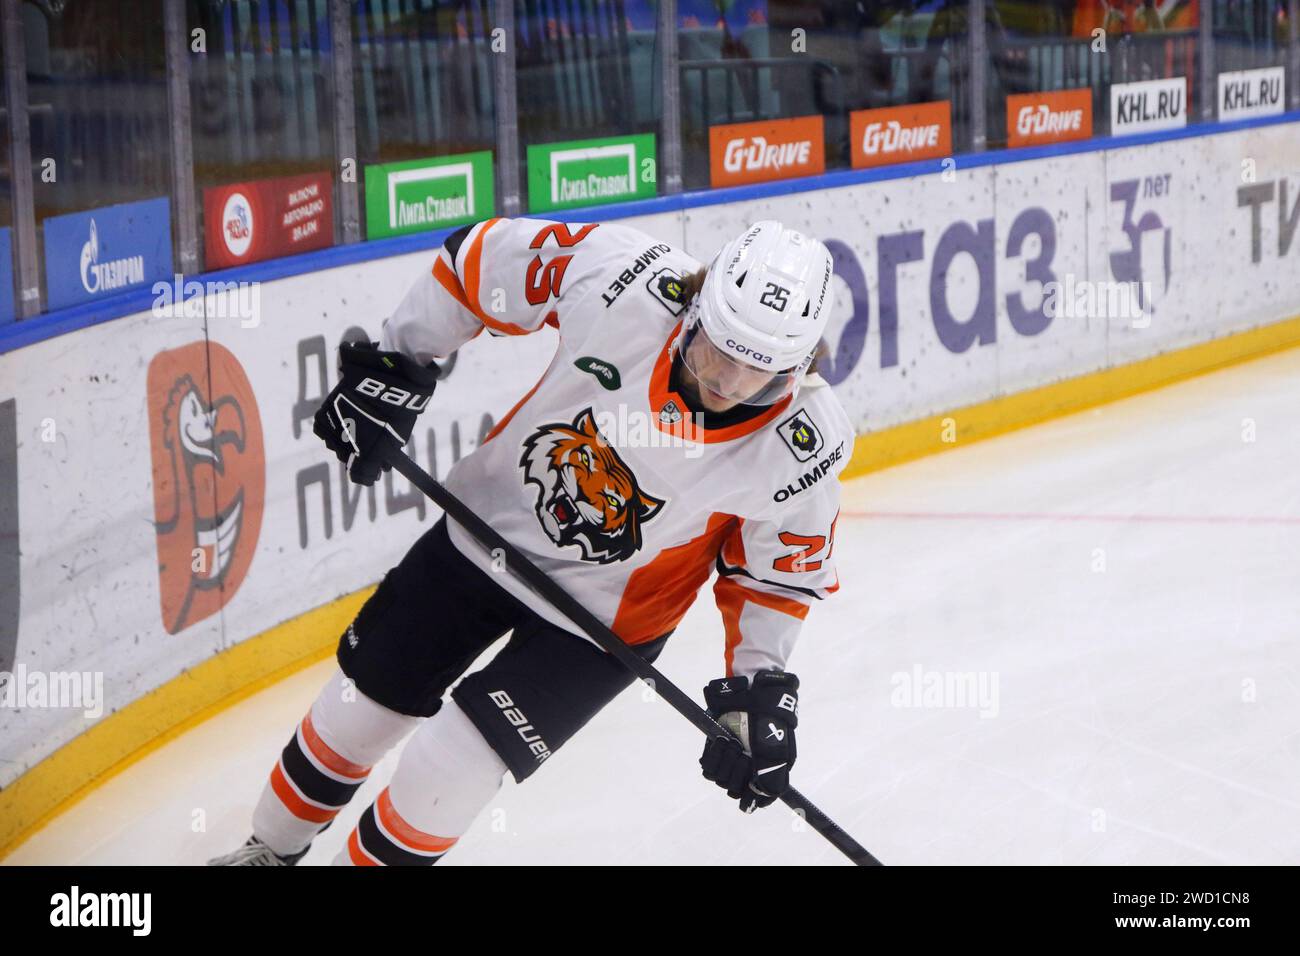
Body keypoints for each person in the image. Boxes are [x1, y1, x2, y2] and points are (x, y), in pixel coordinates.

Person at [209, 216, 853, 865]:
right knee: (359, 711)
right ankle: (267, 851)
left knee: (447, 771)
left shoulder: (804, 446)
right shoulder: (623, 279)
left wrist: (758, 689)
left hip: (603, 627)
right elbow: (477, 264)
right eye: (722, 352)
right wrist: (399, 362)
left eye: (762, 374)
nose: (732, 385)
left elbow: (776, 575)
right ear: (696, 309)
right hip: (485, 532)